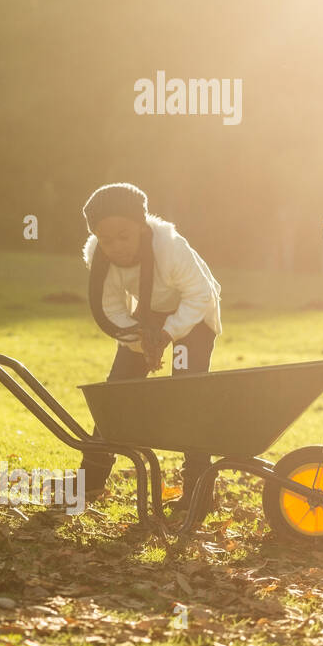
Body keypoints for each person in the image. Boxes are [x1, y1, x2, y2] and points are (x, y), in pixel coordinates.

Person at [74, 182, 223, 510]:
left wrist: (168, 335)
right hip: (147, 319)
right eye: (106, 239)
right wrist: (139, 339)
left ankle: (198, 492)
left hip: (193, 315)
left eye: (123, 236)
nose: (115, 247)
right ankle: (89, 483)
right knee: (117, 392)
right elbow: (111, 309)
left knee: (187, 391)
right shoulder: (102, 261)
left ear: (141, 227)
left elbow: (199, 295)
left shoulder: (170, 248)